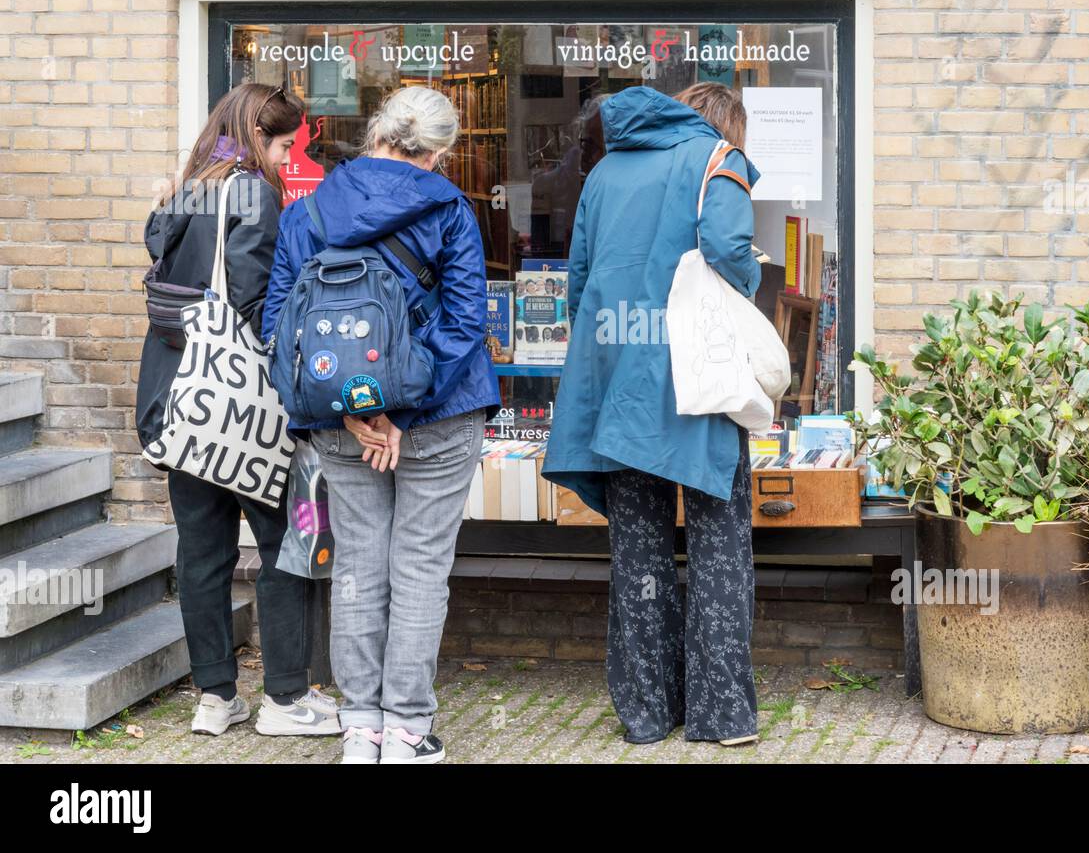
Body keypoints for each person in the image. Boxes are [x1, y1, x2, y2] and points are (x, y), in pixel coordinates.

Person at [262, 86, 500, 765]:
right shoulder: (449, 208)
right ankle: (405, 732)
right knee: (421, 567)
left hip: (340, 423)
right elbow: (464, 324)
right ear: (439, 151)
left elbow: (280, 332)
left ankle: (359, 729)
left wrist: (358, 409)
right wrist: (400, 410)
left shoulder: (305, 213)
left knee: (359, 566)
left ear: (376, 134)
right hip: (440, 417)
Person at [542, 82, 763, 746]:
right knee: (719, 542)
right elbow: (727, 248)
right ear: (725, 123)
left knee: (637, 551)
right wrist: (744, 295)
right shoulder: (718, 160)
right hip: (699, 381)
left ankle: (645, 711)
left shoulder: (606, 170)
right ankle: (720, 714)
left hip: (622, 384)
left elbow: (579, 280)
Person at [135, 82, 341, 737]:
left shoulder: (185, 186)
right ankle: (284, 698)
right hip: (244, 410)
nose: (288, 160)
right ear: (258, 136)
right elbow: (254, 303)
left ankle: (215, 698)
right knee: (284, 543)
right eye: (283, 145)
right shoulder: (253, 193)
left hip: (183, 401)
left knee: (202, 553)